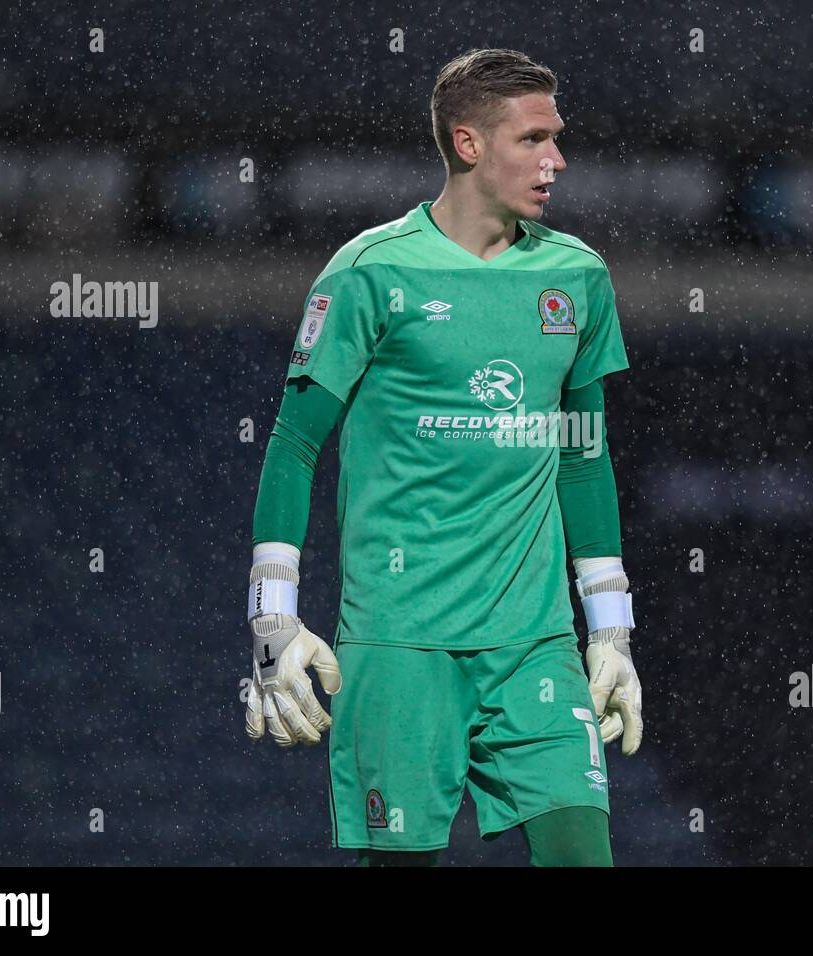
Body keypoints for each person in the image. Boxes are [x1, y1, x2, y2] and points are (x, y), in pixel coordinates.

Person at [244, 48, 641, 867]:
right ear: (467, 144)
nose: (555, 160)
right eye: (533, 139)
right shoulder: (369, 272)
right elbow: (293, 444)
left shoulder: (578, 278)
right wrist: (272, 618)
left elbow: (583, 457)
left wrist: (612, 631)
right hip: (399, 644)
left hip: (534, 642)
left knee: (583, 854)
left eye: (556, 139)